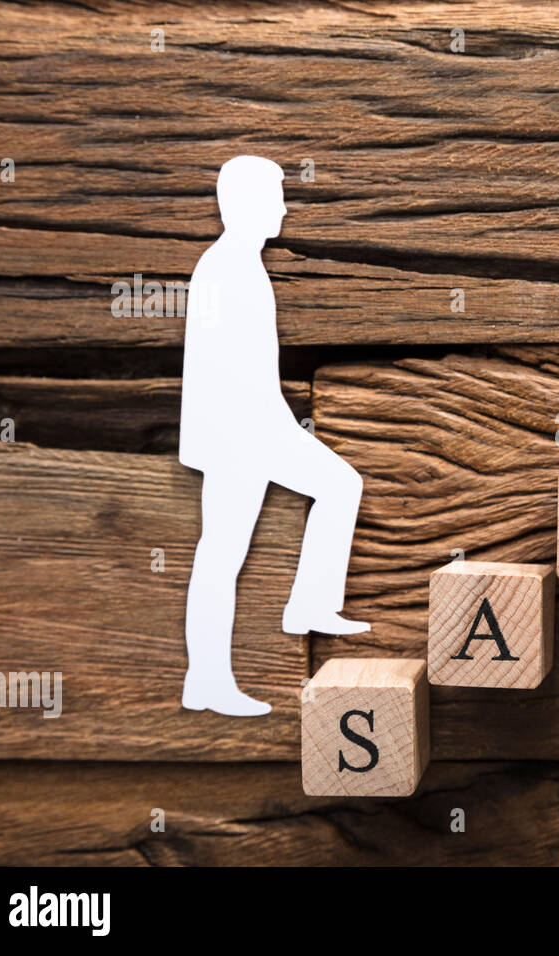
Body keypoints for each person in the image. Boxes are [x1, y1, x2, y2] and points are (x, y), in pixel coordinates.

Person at [180, 155, 369, 717]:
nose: (286, 207)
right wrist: (251, 439)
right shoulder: (224, 268)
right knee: (222, 553)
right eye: (278, 196)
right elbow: (217, 371)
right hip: (240, 438)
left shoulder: (238, 264)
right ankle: (207, 680)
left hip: (256, 431)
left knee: (337, 488)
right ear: (245, 203)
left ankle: (307, 606)